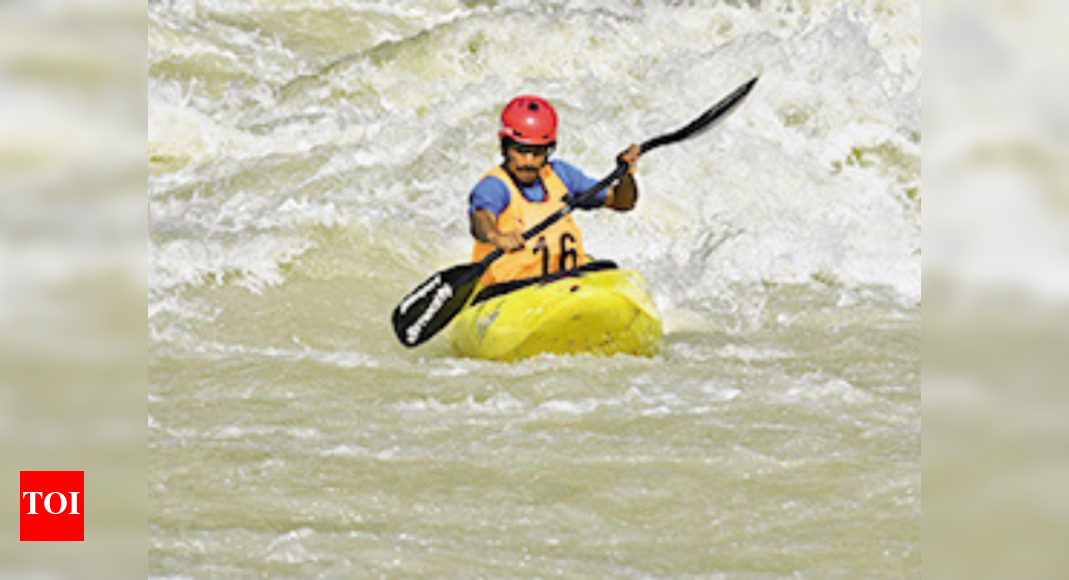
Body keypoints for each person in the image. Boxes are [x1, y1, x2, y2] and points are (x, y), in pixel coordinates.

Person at [469, 95, 641, 288]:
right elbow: (481, 219)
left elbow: (622, 202)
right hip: (508, 292)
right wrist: (496, 237)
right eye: (520, 151)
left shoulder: (561, 175)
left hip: (563, 285)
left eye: (537, 153)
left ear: (548, 151)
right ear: (505, 148)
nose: (528, 161)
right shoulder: (495, 185)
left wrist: (626, 175)